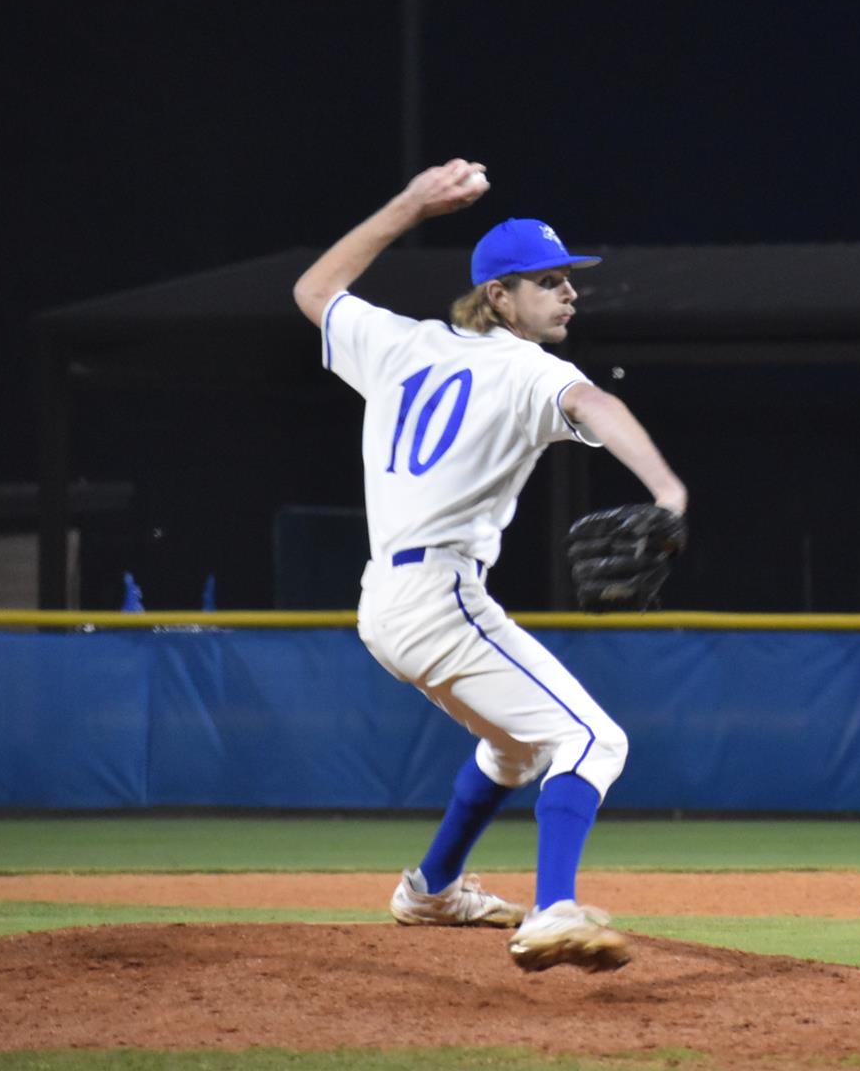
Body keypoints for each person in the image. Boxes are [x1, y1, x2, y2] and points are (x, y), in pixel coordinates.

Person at [292, 158, 688, 973]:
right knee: (592, 740)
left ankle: (432, 889)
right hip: (440, 597)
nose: (569, 293)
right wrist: (668, 491)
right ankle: (551, 913)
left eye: (569, 280)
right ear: (499, 298)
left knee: (512, 749)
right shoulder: (528, 367)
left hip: (385, 603)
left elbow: (314, 291)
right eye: (548, 281)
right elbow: (598, 406)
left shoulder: (400, 344)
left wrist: (409, 204)